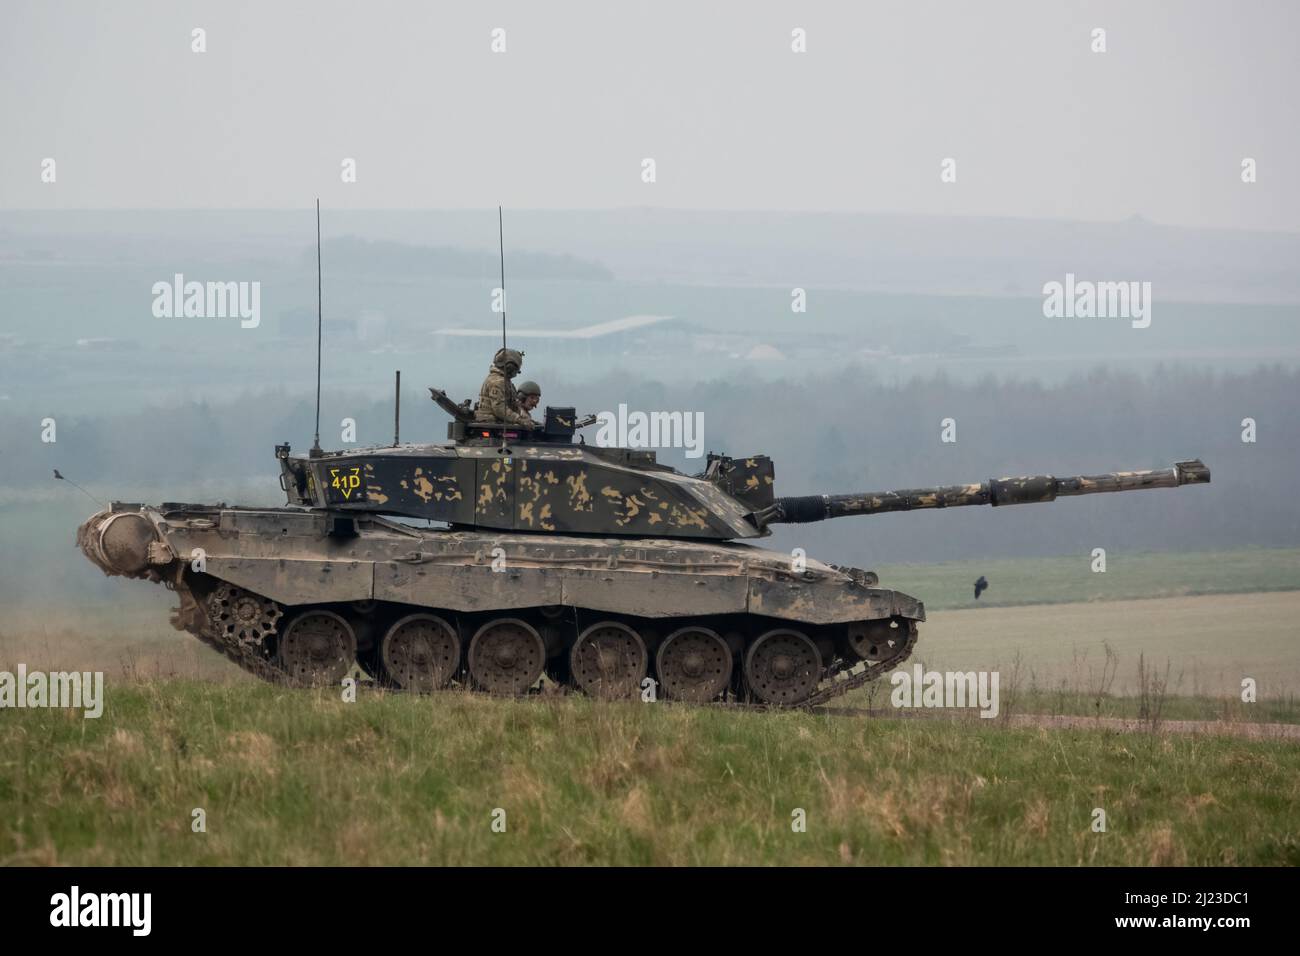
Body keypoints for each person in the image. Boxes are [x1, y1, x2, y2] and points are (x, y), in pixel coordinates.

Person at [474, 347, 537, 428]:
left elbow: (512, 404)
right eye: (516, 370)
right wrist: (519, 419)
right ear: (510, 368)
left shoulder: (505, 381)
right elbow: (499, 408)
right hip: (491, 422)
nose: (516, 373)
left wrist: (524, 417)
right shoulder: (497, 382)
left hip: (498, 421)